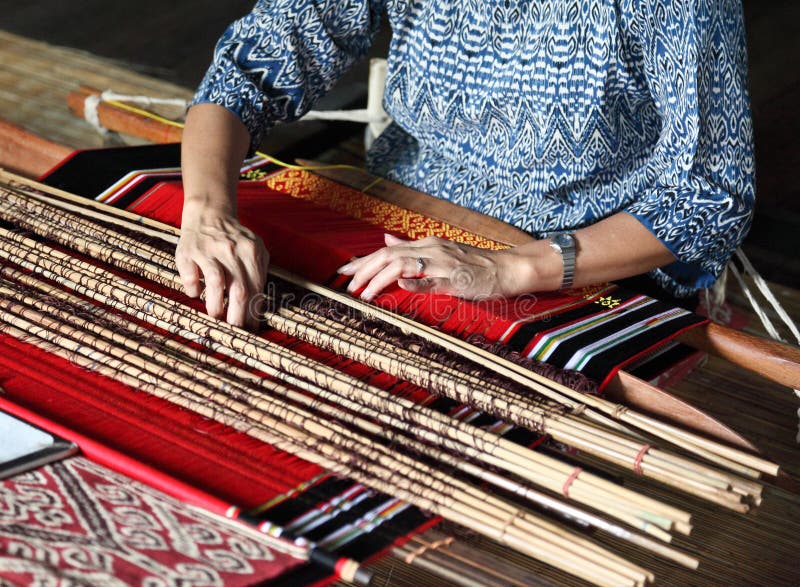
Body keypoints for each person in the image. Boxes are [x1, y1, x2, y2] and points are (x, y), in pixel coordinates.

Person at [178, 1, 754, 329]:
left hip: (575, 263)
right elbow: (246, 72)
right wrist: (206, 211)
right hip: (393, 225)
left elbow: (711, 194)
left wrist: (512, 269)